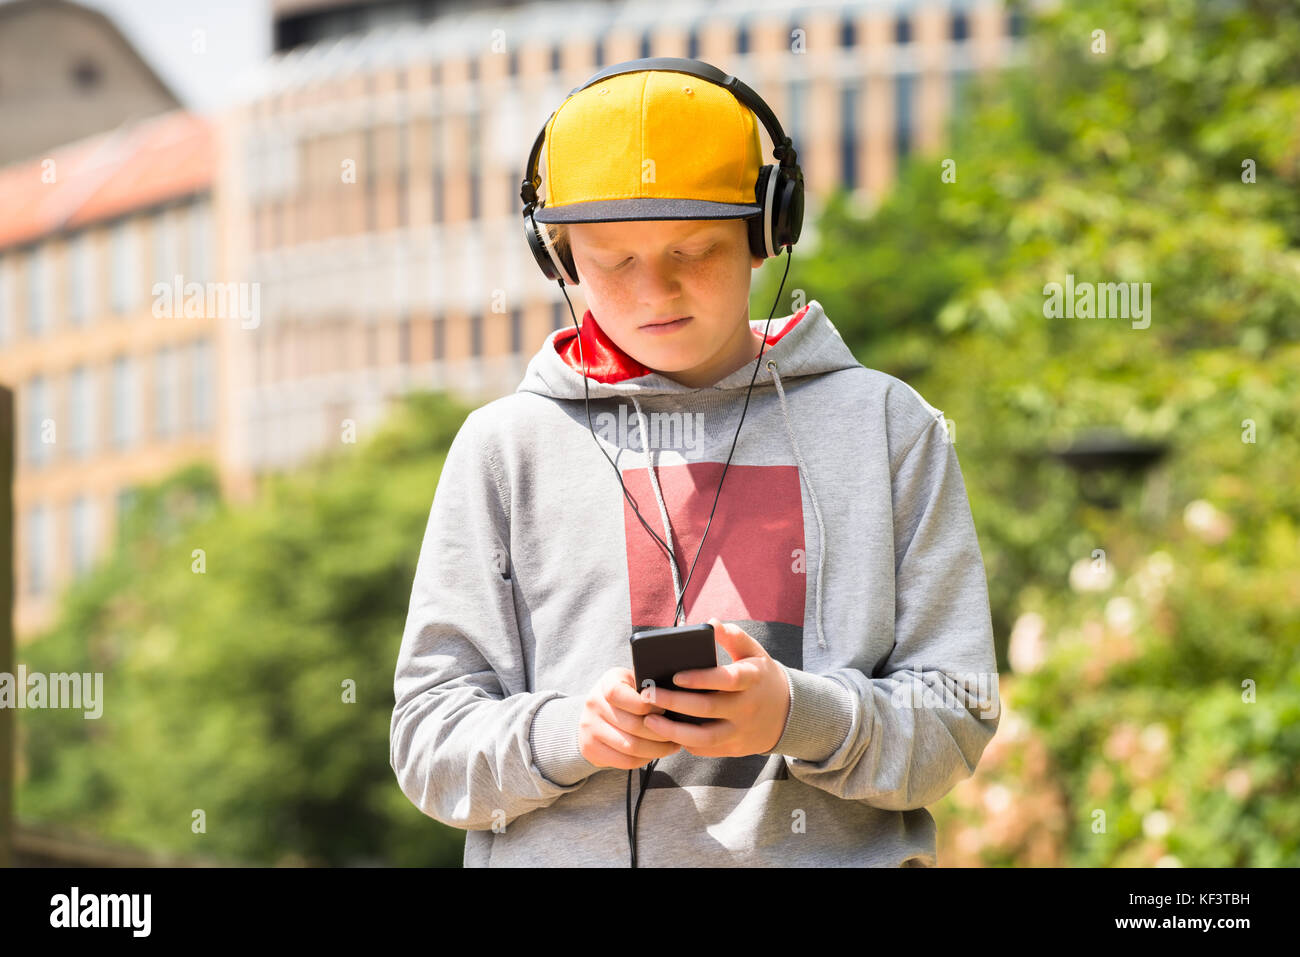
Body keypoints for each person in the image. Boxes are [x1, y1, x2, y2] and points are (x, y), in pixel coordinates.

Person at [389, 58, 1000, 867]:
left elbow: (957, 716)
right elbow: (428, 743)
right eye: (614, 259)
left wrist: (797, 714)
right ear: (558, 258)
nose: (656, 290)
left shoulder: (889, 428)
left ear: (767, 233)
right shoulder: (503, 448)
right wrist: (570, 732)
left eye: (694, 249)